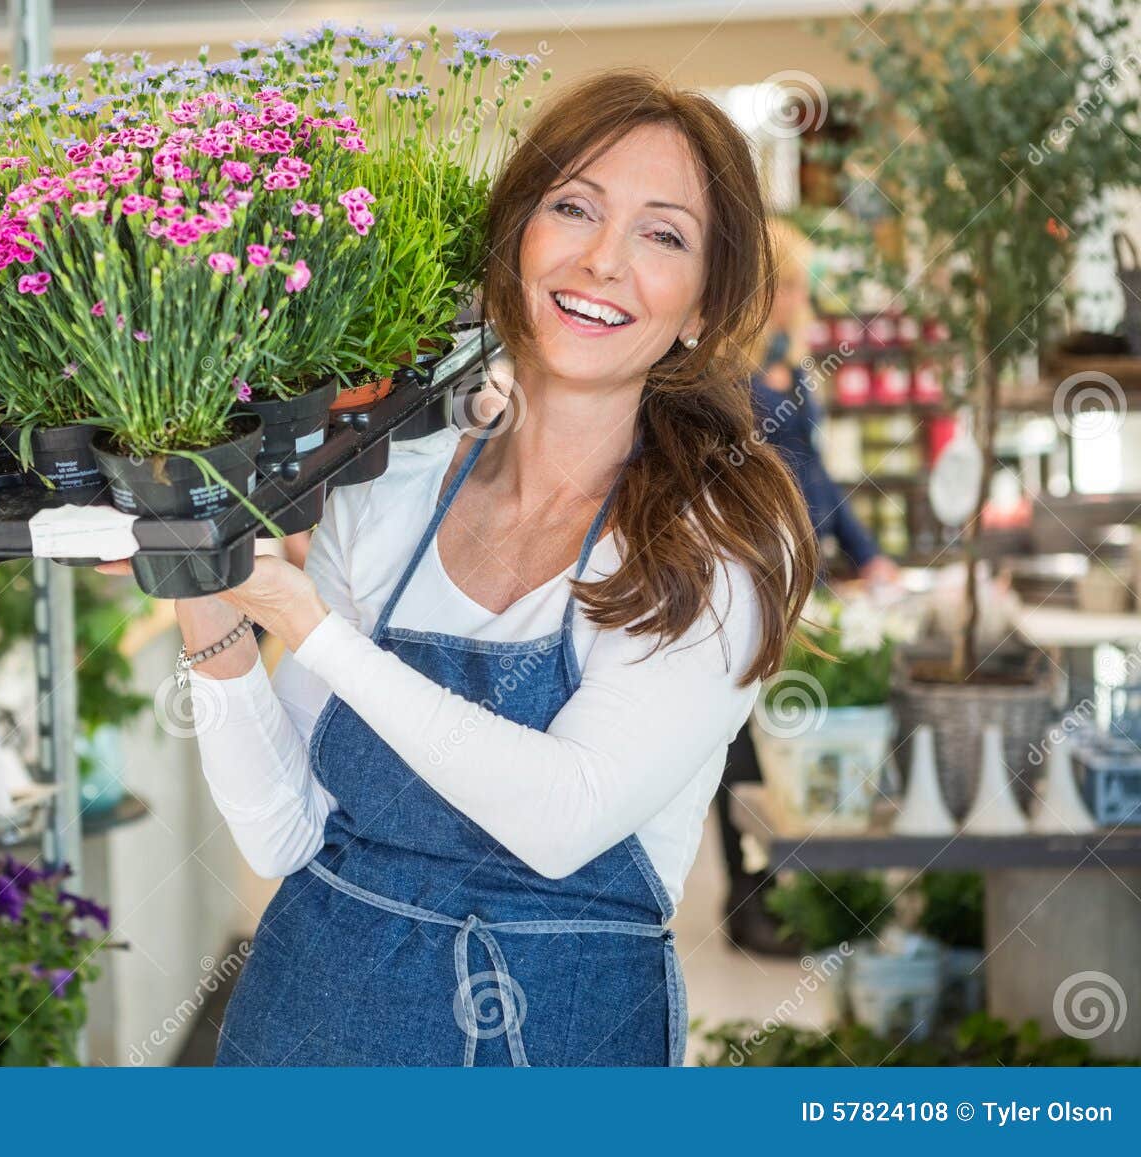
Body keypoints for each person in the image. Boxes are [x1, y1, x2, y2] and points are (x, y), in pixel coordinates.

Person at [101, 68, 816, 1066]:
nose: (603, 259)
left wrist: (311, 626)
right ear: (517, 238)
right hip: (305, 1023)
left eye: (662, 234)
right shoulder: (387, 489)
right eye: (573, 207)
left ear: (701, 305)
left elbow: (562, 817)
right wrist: (204, 581)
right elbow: (280, 832)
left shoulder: (720, 537)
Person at [716, 221, 899, 957]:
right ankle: (746, 901)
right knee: (745, 744)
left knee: (793, 735)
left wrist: (868, 553)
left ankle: (797, 891)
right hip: (754, 571)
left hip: (804, 572)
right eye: (786, 283)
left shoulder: (788, 361)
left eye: (798, 283)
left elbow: (814, 471)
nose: (798, 297)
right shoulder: (724, 376)